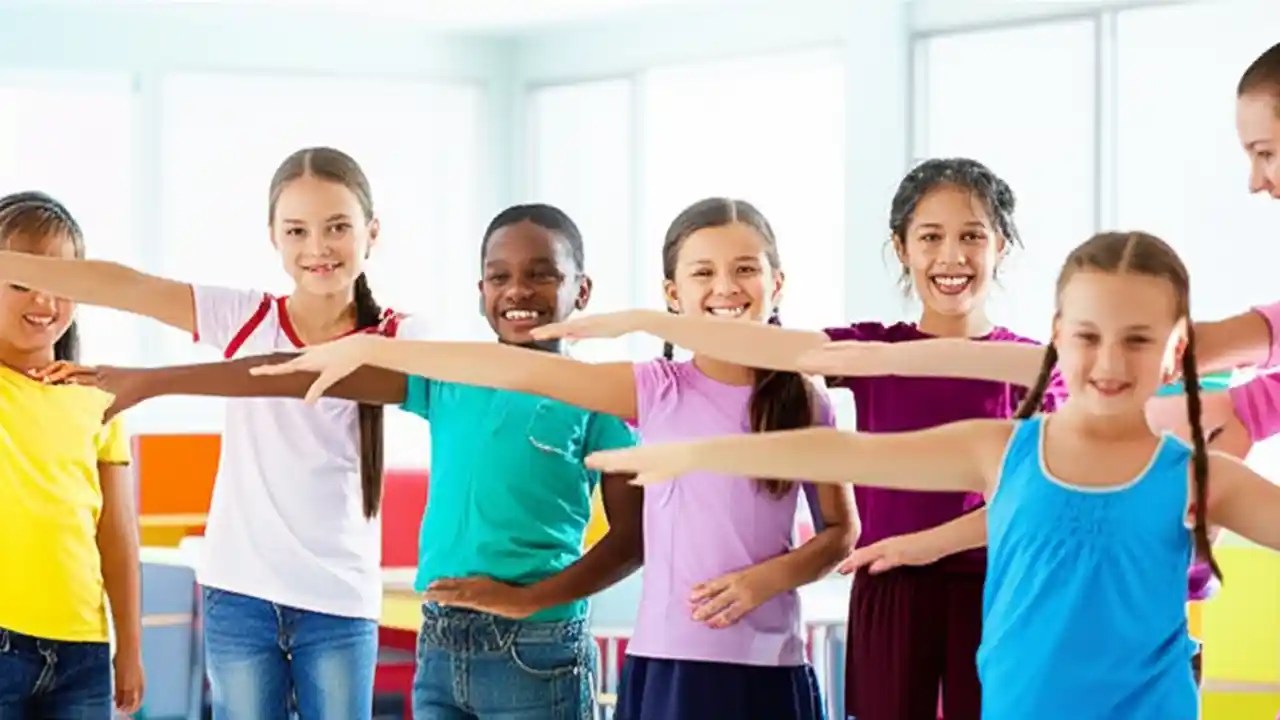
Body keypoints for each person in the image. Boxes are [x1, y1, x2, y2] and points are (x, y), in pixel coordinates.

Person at [584, 230, 1280, 720]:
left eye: (1138, 340)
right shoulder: (1003, 446)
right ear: (1059, 335)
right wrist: (695, 452)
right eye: (1091, 336)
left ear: (1176, 348)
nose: (1109, 362)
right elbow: (849, 453)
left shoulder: (1202, 476)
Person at [249, 197, 856, 720]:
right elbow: (510, 366)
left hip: (756, 658)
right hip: (657, 658)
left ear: (777, 283)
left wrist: (766, 579)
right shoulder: (655, 388)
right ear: (674, 292)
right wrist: (351, 350)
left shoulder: (801, 399)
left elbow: (839, 532)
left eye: (744, 269)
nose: (725, 287)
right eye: (703, 272)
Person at [40, 203, 645, 720]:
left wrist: (529, 600)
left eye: (542, 275)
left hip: (537, 648)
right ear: (481, 291)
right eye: (500, 276)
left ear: (580, 290)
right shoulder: (452, 377)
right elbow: (297, 373)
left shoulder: (598, 399)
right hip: (442, 642)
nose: (518, 291)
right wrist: (151, 382)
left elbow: (632, 540)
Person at [531, 159, 1057, 720]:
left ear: (1002, 246)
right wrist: (650, 321)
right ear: (901, 248)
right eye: (931, 237)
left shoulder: (1033, 366)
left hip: (994, 582)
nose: (952, 256)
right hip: (888, 592)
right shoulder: (864, 352)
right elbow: (768, 348)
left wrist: (918, 545)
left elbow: (1042, 492)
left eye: (972, 236)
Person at [0, 147, 411, 719]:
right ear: (273, 236)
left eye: (337, 227)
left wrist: (155, 381)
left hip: (338, 600)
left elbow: (307, 375)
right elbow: (130, 287)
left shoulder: (399, 336)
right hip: (240, 596)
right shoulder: (244, 316)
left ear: (372, 232)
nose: (317, 247)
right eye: (297, 229)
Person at [0, 191, 143, 718]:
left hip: (83, 649)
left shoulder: (99, 397)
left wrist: (129, 645)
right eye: (21, 282)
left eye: (61, 286)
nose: (44, 302)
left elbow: (119, 533)